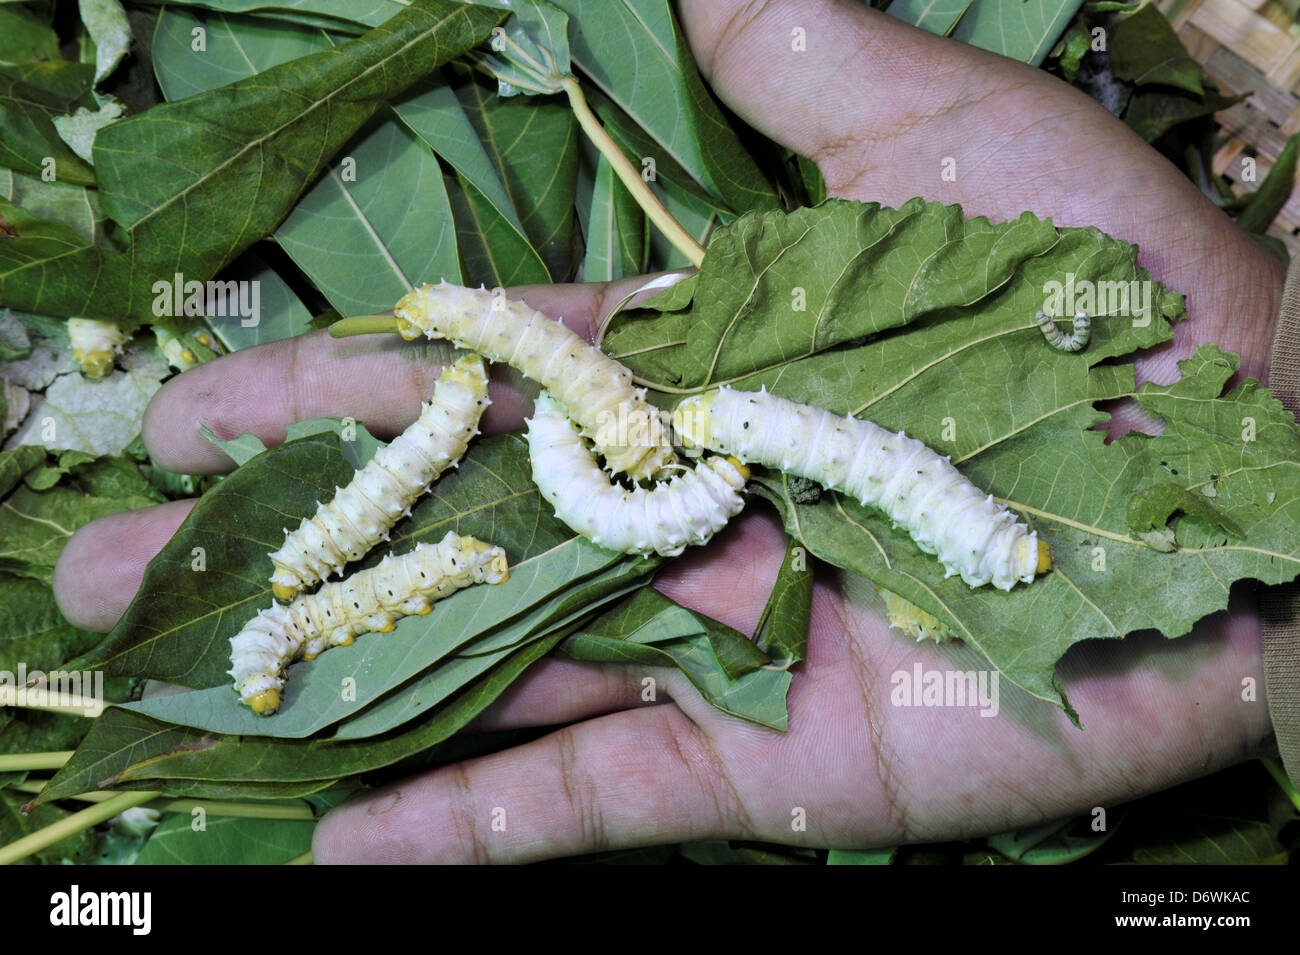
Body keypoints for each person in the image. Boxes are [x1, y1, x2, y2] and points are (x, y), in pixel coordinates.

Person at [53, 0, 1295, 863]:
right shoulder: (595, 438)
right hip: (653, 450)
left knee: (846, 471)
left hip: (672, 449)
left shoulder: (626, 438)